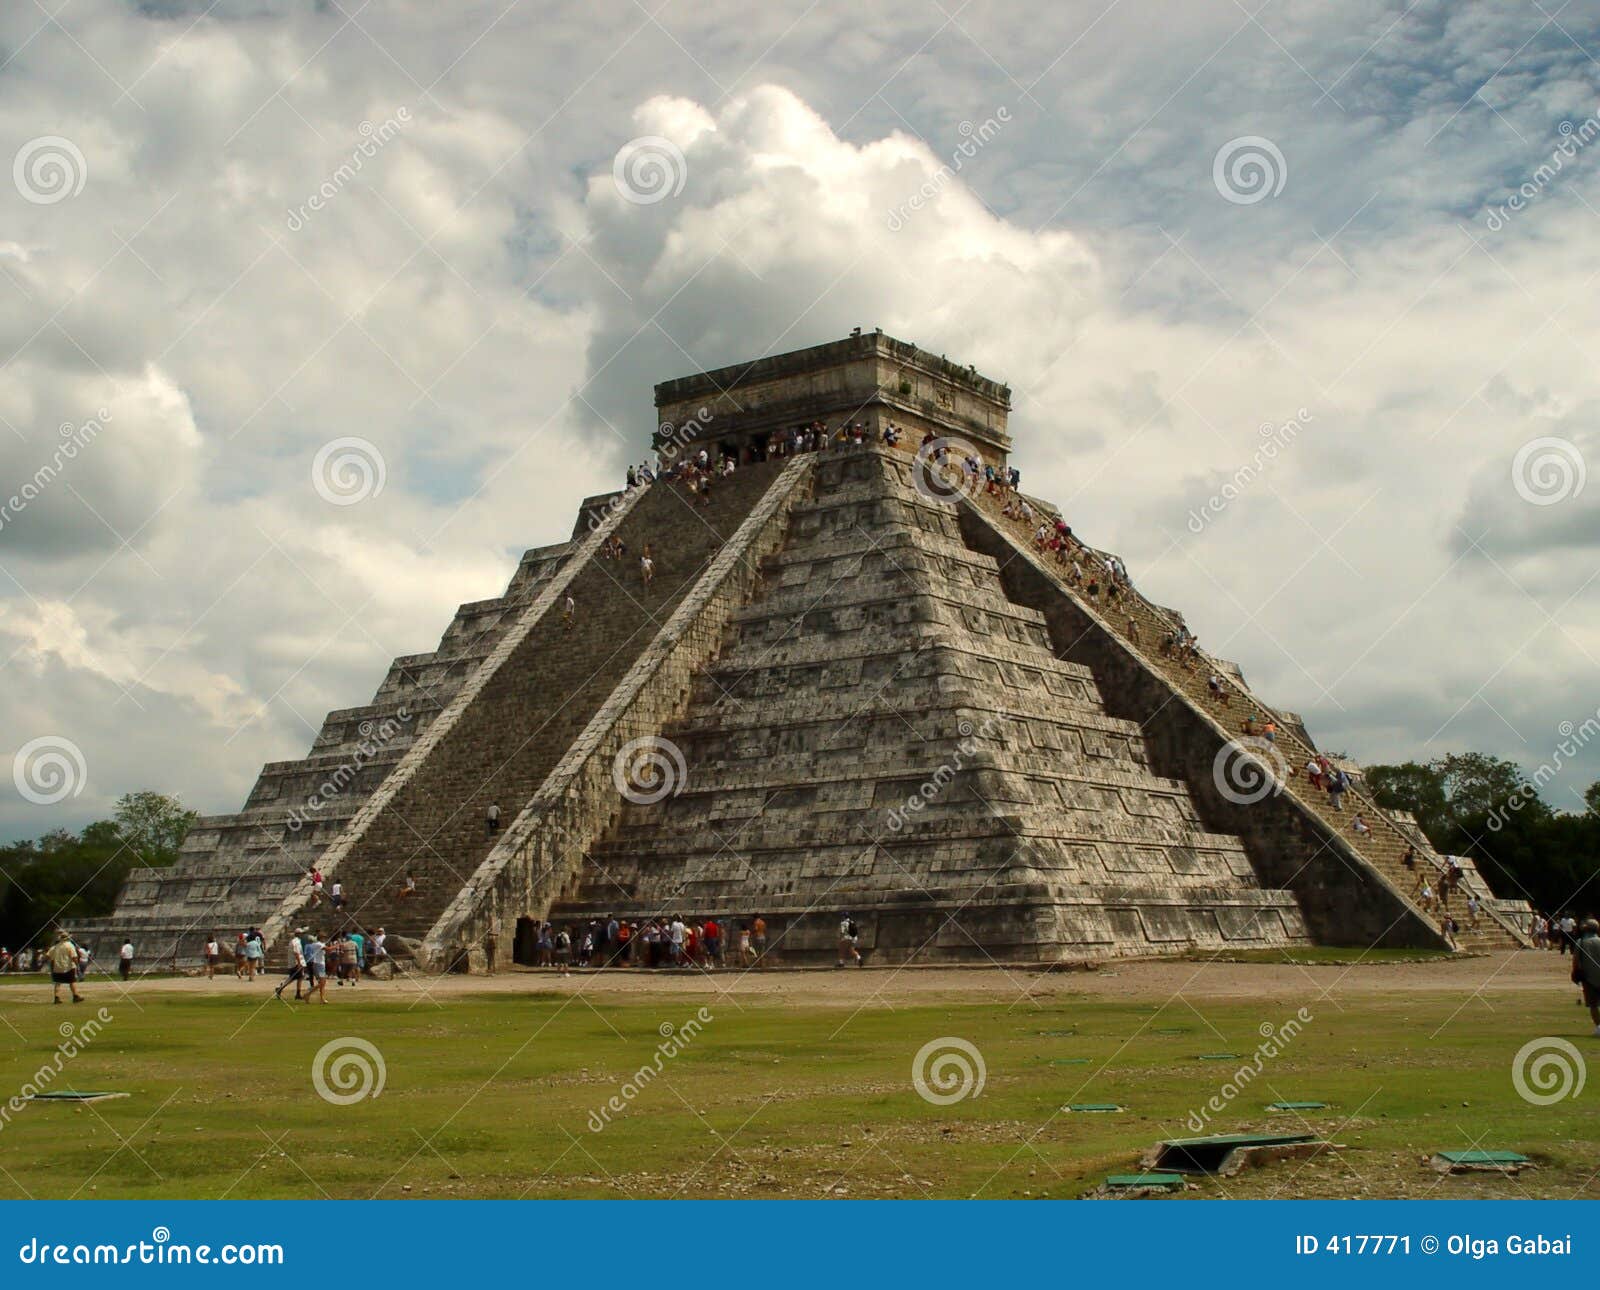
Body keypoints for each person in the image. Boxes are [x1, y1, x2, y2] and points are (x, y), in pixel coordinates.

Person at [1572, 919, 1600, 1036]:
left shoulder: (1581, 942)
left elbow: (1576, 960)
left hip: (1588, 978)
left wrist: (1575, 973)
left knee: (1593, 1004)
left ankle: (1599, 1027)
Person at [48, 930, 83, 1004]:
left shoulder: (56, 946)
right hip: (68, 967)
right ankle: (75, 996)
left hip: (57, 967)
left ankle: (56, 997)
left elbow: (48, 955)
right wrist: (77, 965)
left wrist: (52, 963)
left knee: (58, 982)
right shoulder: (70, 945)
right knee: (72, 982)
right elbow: (74, 957)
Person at [275, 928, 307, 1000]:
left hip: (295, 962)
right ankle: (281, 988)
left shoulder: (294, 941)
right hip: (296, 963)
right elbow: (296, 953)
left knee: (298, 977)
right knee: (295, 978)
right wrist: (299, 963)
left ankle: (297, 993)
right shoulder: (296, 942)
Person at [302, 931, 328, 1003]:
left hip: (320, 964)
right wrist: (338, 945)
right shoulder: (318, 944)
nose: (325, 939)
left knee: (322, 983)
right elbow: (328, 949)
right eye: (324, 938)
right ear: (321, 938)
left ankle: (322, 999)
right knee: (322, 982)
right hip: (319, 965)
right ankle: (307, 994)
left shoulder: (318, 944)